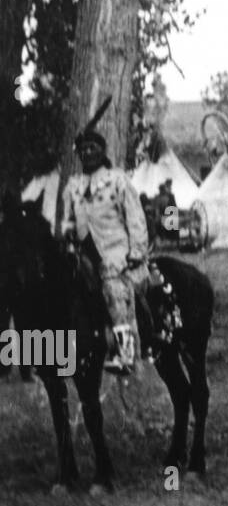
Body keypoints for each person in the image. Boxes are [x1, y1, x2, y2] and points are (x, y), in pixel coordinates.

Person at [61, 128, 152, 374]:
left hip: (116, 251)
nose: (88, 153)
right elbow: (68, 220)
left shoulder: (117, 180)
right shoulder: (73, 186)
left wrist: (136, 251)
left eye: (93, 148)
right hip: (84, 252)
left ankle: (127, 352)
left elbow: (135, 217)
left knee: (113, 288)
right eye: (84, 150)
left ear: (102, 151)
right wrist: (68, 235)